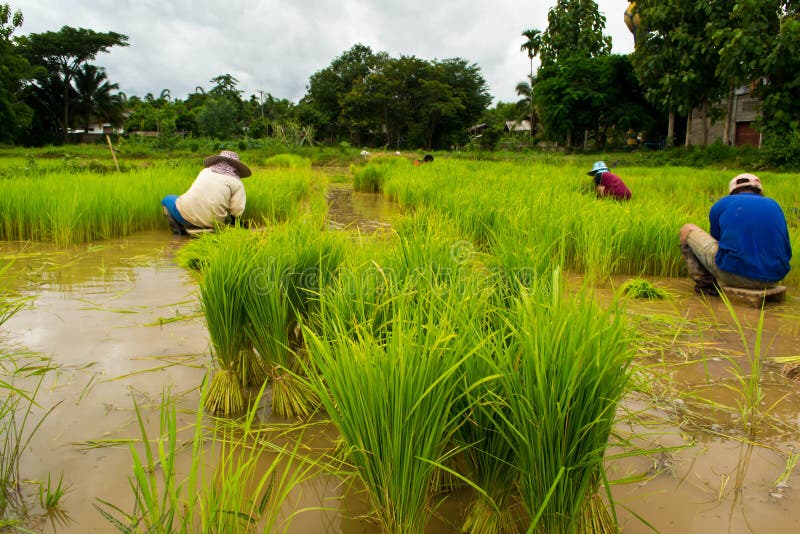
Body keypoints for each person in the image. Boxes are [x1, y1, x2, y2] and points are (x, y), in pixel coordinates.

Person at [679, 173, 791, 295]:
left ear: (732, 191)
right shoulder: (774, 205)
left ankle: (707, 286)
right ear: (759, 191)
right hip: (774, 278)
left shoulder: (722, 203)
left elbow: (717, 240)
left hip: (736, 276)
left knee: (687, 229)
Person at [161, 150, 251, 235]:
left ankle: (178, 234)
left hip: (185, 215)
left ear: (219, 161)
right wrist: (235, 224)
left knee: (167, 199)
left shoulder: (205, 171)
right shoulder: (237, 183)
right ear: (236, 167)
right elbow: (236, 211)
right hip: (213, 223)